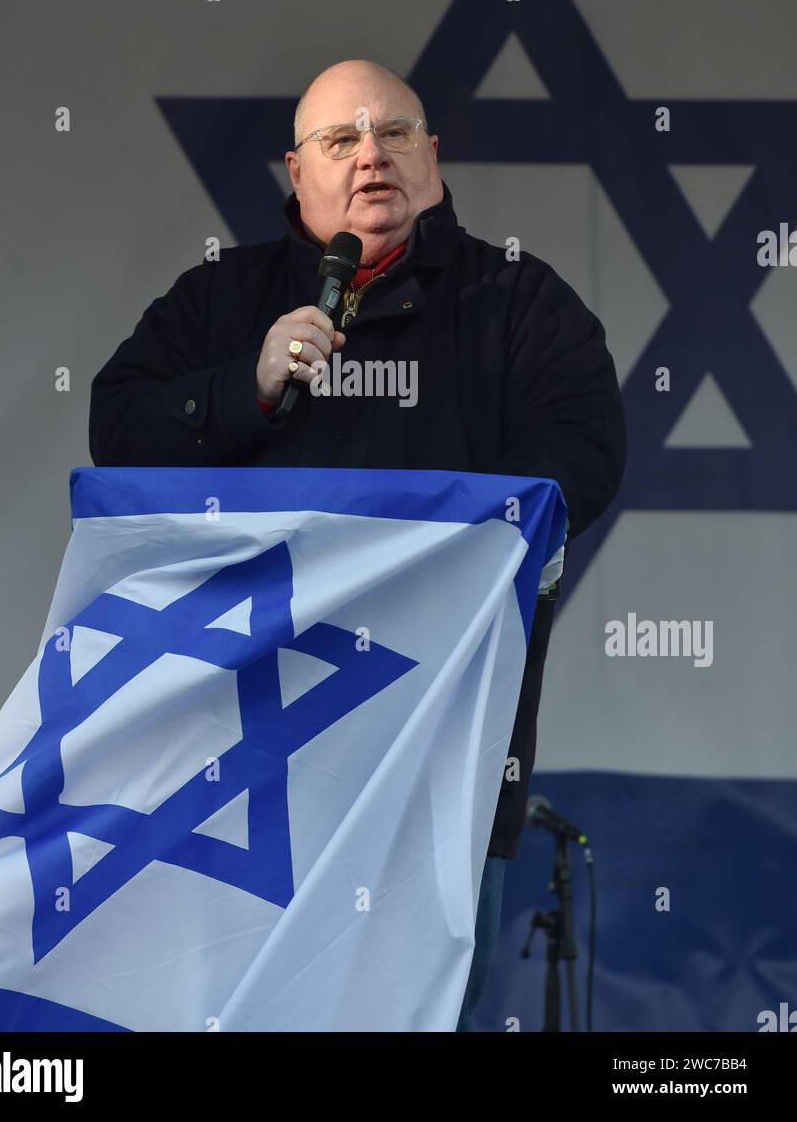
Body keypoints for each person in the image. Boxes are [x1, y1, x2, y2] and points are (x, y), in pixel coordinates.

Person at [89, 58, 626, 1030]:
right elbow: (118, 432)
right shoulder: (221, 298)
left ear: (433, 158)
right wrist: (240, 388)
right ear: (297, 174)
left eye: (395, 134)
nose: (371, 155)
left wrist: (451, 542)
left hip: (439, 769)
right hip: (243, 773)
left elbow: (580, 451)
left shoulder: (517, 303)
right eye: (341, 140)